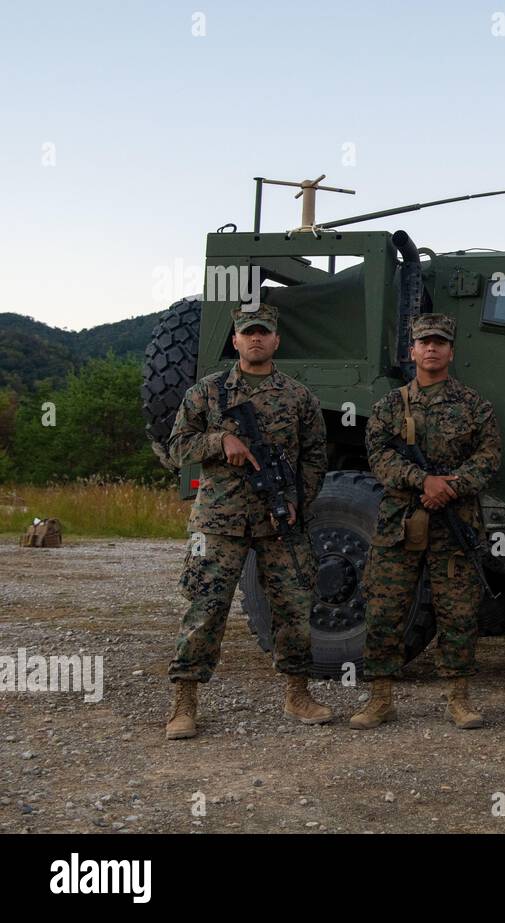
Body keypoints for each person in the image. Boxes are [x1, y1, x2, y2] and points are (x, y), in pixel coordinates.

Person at [165, 301, 330, 739]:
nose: (255, 338)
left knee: (295, 607)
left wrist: (298, 501)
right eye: (247, 331)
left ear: (276, 340)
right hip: (219, 519)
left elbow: (315, 458)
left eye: (264, 332)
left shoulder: (299, 397)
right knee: (205, 608)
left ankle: (297, 694)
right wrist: (222, 441)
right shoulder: (207, 392)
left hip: (279, 520)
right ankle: (185, 703)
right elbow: (178, 448)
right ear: (235, 339)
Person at [349, 314, 502, 730]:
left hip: (455, 522)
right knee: (384, 608)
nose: (431, 348)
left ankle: (458, 698)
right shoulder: (388, 406)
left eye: (440, 342)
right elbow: (379, 457)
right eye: (424, 342)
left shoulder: (474, 406)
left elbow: (489, 458)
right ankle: (380, 697)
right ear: (412, 351)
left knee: (459, 612)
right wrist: (424, 481)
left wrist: (451, 486)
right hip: (400, 522)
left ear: (451, 351)